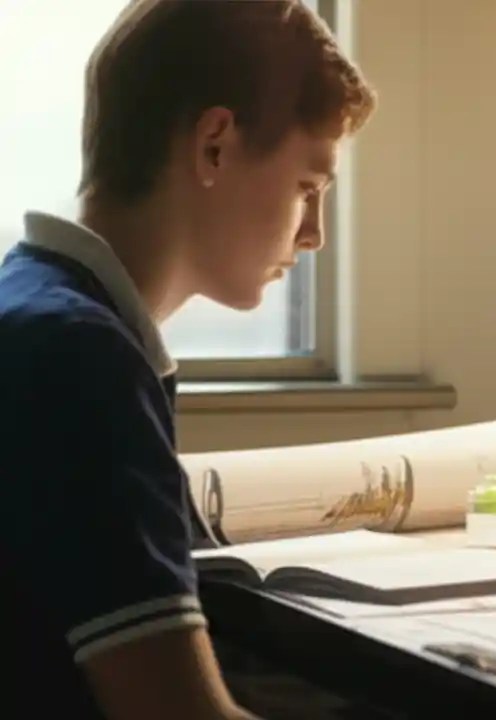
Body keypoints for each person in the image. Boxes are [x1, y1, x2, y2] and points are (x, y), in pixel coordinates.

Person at [0, 1, 376, 718]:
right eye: (309, 187)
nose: (315, 235)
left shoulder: (35, 306)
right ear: (214, 145)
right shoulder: (80, 358)